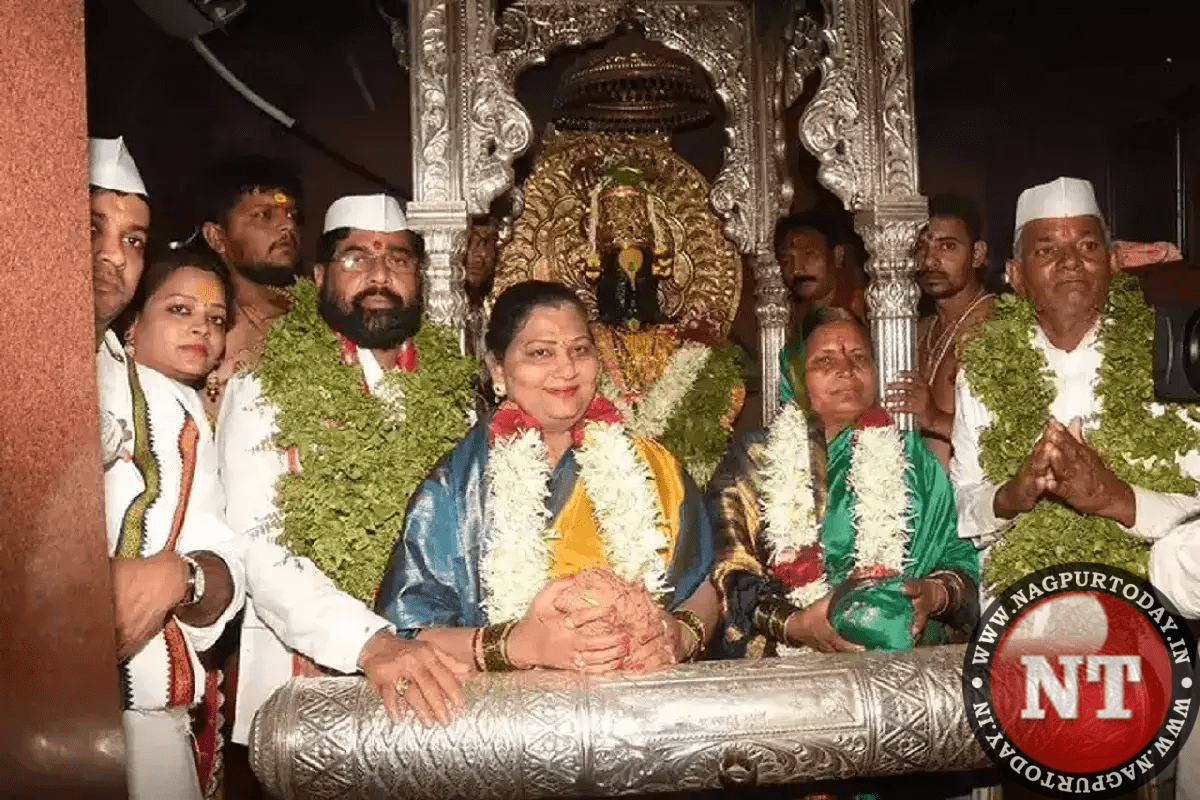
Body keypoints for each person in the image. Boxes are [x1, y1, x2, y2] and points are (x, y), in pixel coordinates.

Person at [218, 194, 476, 751]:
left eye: (399, 259)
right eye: (356, 258)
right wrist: (372, 643)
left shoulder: (458, 397)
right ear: (319, 276)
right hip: (310, 687)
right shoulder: (265, 391)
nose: (380, 275)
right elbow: (259, 550)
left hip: (447, 682)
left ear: (419, 278)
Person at [375, 280, 720, 672]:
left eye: (580, 349)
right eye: (541, 352)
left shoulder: (652, 465)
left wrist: (680, 633)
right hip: (508, 721)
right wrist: (518, 647)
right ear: (497, 369)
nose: (567, 369)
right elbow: (404, 636)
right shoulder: (456, 486)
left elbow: (705, 586)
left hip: (641, 711)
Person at [951, 176, 1200, 608]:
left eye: (1087, 246)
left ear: (1113, 262)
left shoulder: (1173, 357)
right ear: (1015, 275)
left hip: (1148, 617)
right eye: (1047, 250)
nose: (1070, 262)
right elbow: (962, 501)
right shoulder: (979, 370)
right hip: (1020, 620)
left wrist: (1116, 498)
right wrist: (1012, 495)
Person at [708, 306, 979, 658]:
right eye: (825, 361)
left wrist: (934, 594)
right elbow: (727, 571)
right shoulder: (756, 460)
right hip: (789, 673)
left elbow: (961, 555)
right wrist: (796, 624)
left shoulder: (912, 458)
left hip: (904, 663)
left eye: (859, 358)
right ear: (796, 375)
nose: (846, 371)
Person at [99, 249, 247, 800]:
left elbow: (218, 551)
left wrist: (182, 579)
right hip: (85, 701)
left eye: (214, 320)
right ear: (132, 323)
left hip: (161, 701)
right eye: (179, 310)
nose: (201, 329)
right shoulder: (107, 380)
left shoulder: (188, 410)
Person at [885, 194, 995, 467]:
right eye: (921, 247)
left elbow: (1012, 437)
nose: (931, 261)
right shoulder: (917, 329)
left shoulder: (998, 327)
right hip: (918, 501)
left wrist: (934, 418)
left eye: (947, 246)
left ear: (977, 254)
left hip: (973, 502)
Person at [197, 155, 305, 416]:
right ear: (216, 237)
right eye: (263, 215)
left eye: (292, 214)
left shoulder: (323, 317)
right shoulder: (204, 329)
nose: (287, 225)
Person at [776, 211, 867, 404]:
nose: (797, 270)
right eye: (787, 260)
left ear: (837, 255)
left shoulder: (863, 311)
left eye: (809, 255)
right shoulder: (795, 318)